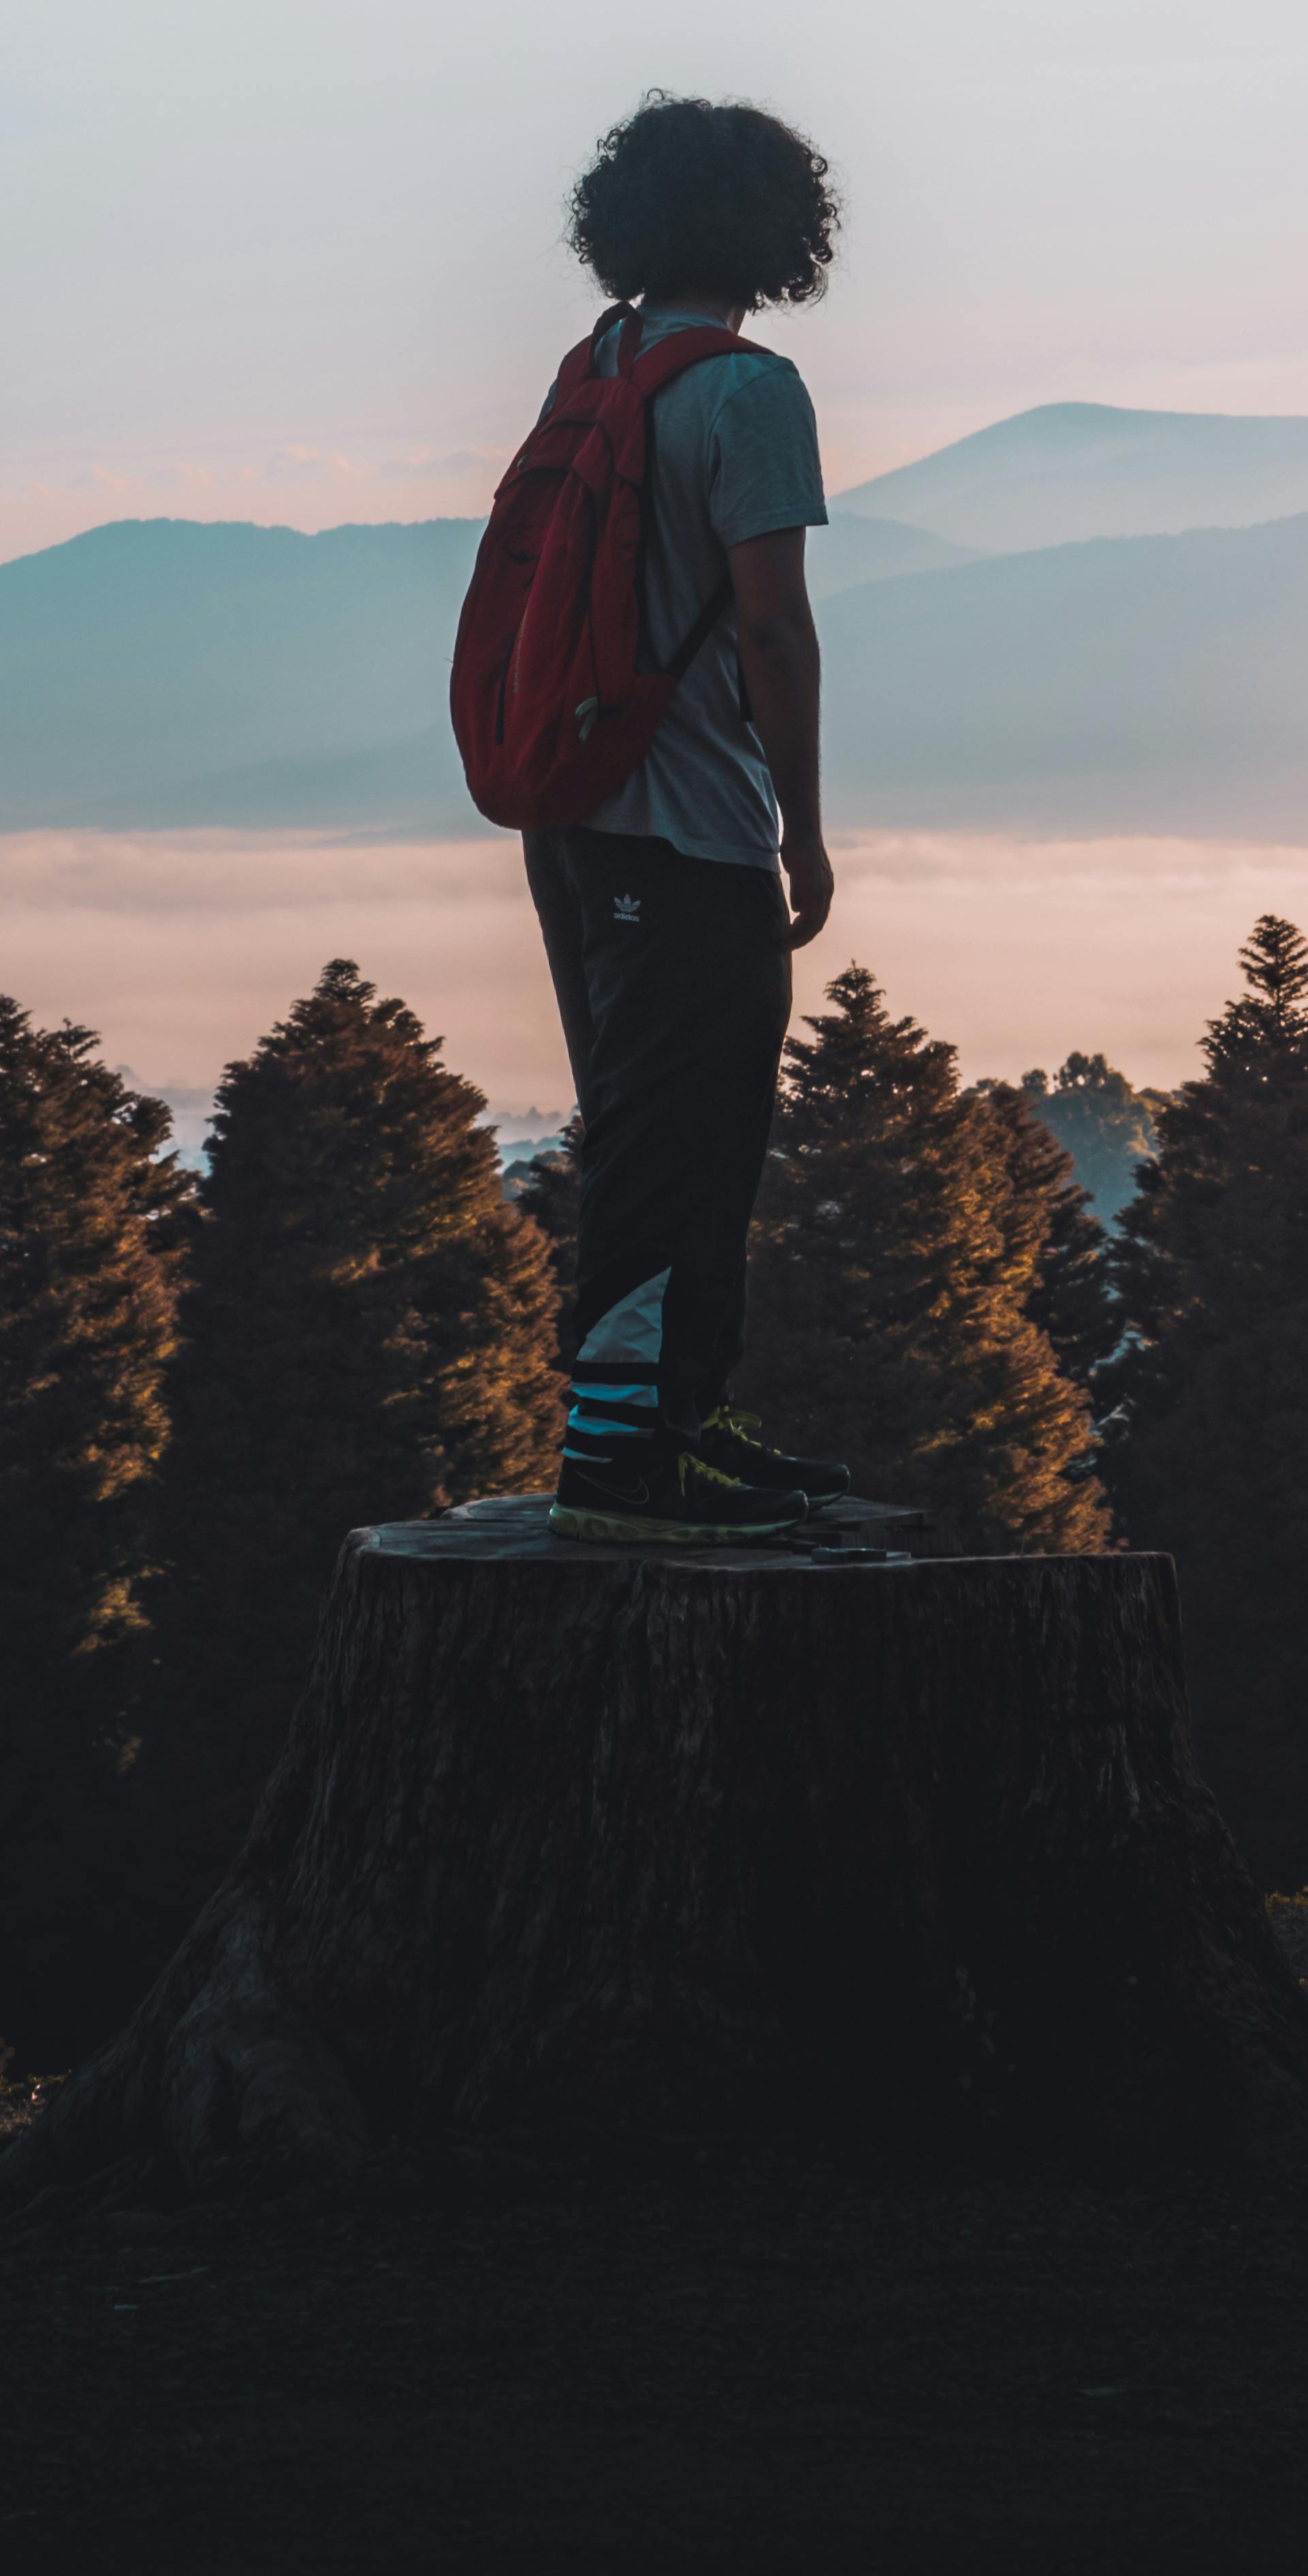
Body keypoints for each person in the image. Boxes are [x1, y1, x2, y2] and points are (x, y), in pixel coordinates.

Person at [523, 93, 853, 1546]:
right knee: (683, 1136)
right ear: (782, 228)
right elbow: (773, 631)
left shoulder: (597, 366)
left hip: (575, 810)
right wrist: (804, 821)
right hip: (692, 819)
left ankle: (683, 1424)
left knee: (661, 1122)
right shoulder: (746, 391)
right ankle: (622, 1458)